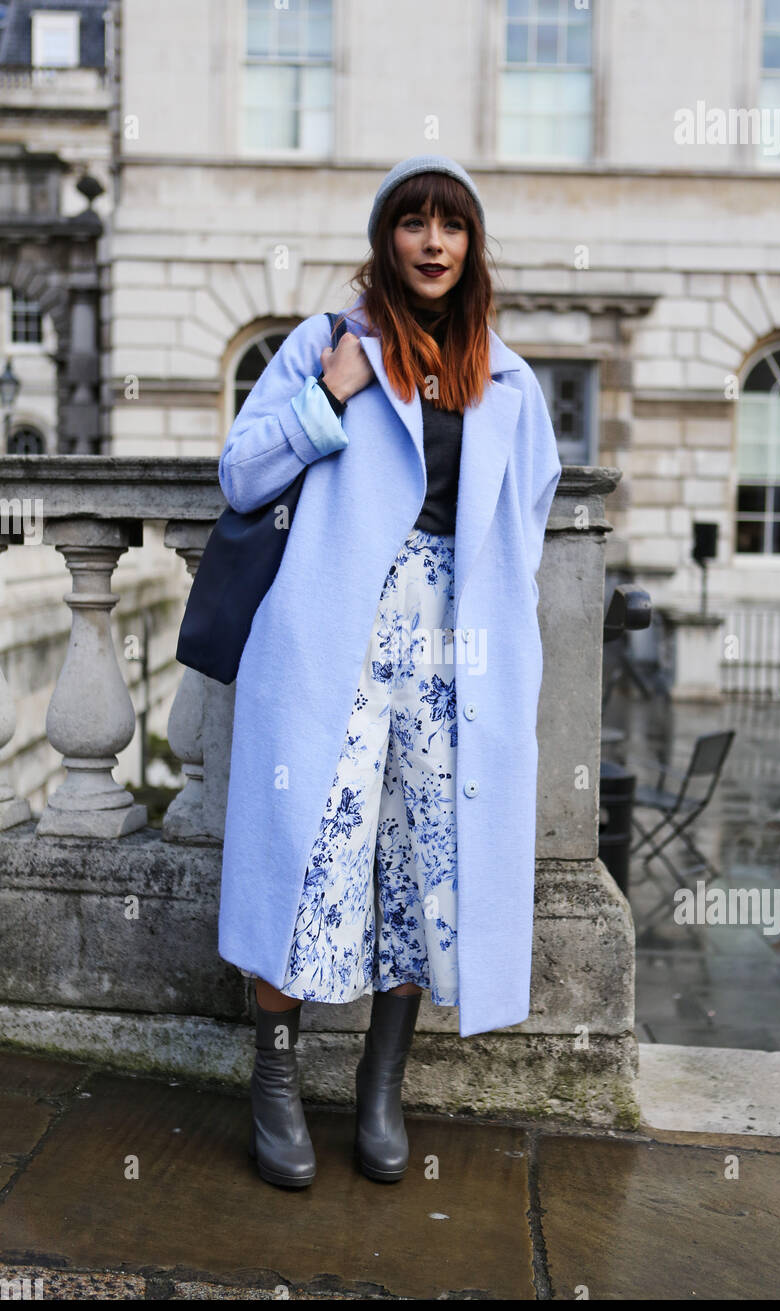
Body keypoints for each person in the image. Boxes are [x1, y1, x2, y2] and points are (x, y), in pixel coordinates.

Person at [216, 155, 562, 1190]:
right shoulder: (328, 342)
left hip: (456, 641)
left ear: (472, 246)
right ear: (387, 240)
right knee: (313, 842)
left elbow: (528, 519)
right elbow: (241, 473)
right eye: (413, 223)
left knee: (428, 854)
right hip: (338, 627)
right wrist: (330, 393)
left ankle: (381, 1084)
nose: (432, 243)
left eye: (450, 226)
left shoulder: (507, 380)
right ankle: (275, 1081)